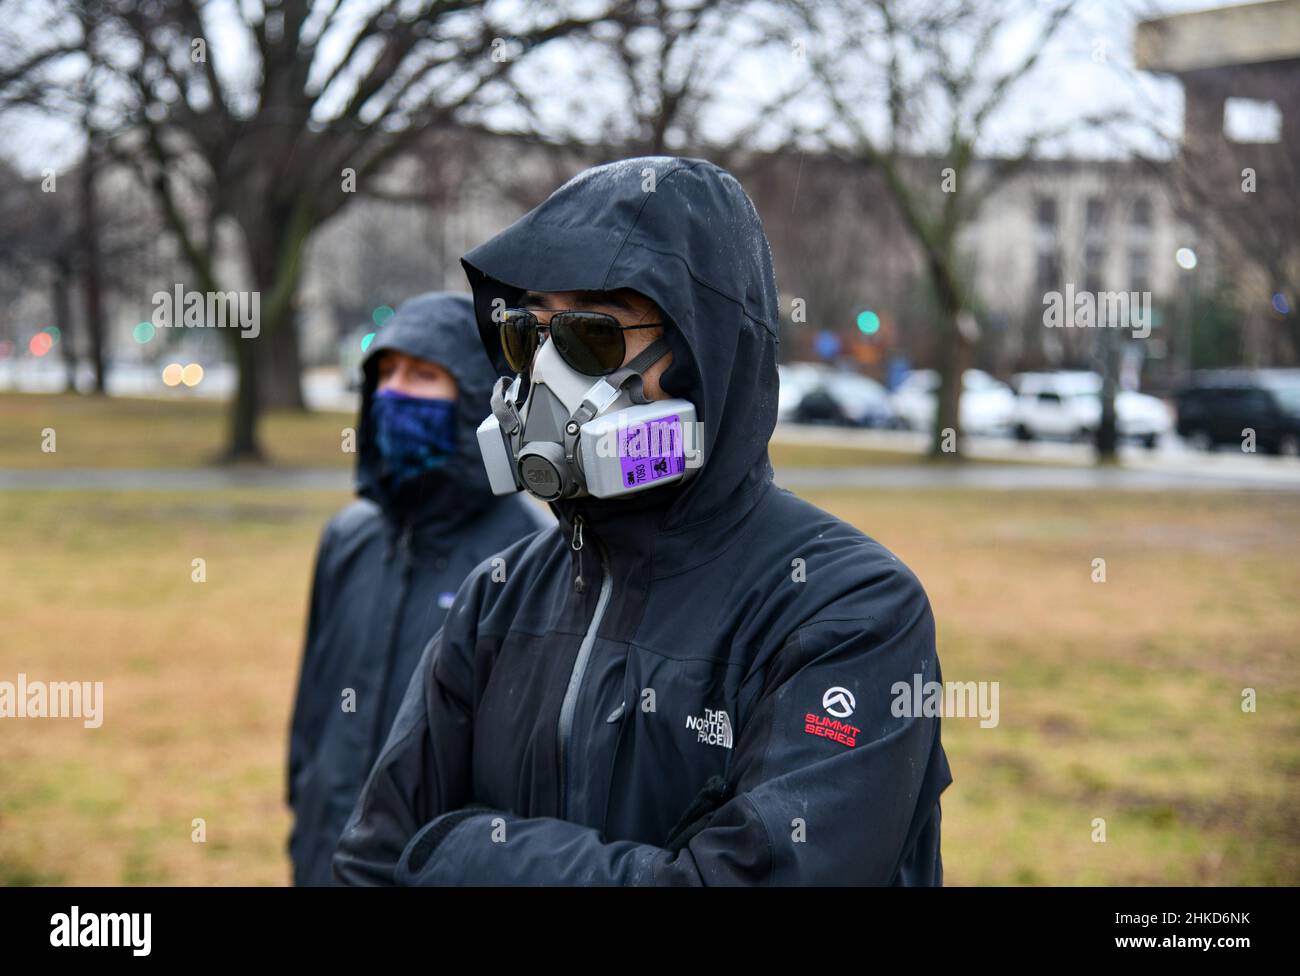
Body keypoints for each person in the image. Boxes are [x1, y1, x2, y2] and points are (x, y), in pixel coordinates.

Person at [333, 158, 952, 885]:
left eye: (589, 338)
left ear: (701, 355)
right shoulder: (497, 598)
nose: (544, 379)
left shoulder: (844, 608)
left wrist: (467, 855)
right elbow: (373, 861)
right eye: (525, 336)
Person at [287, 291, 548, 885]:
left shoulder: (531, 558)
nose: (397, 390)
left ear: (470, 397)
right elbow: (313, 712)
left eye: (424, 374)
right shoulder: (349, 539)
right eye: (387, 372)